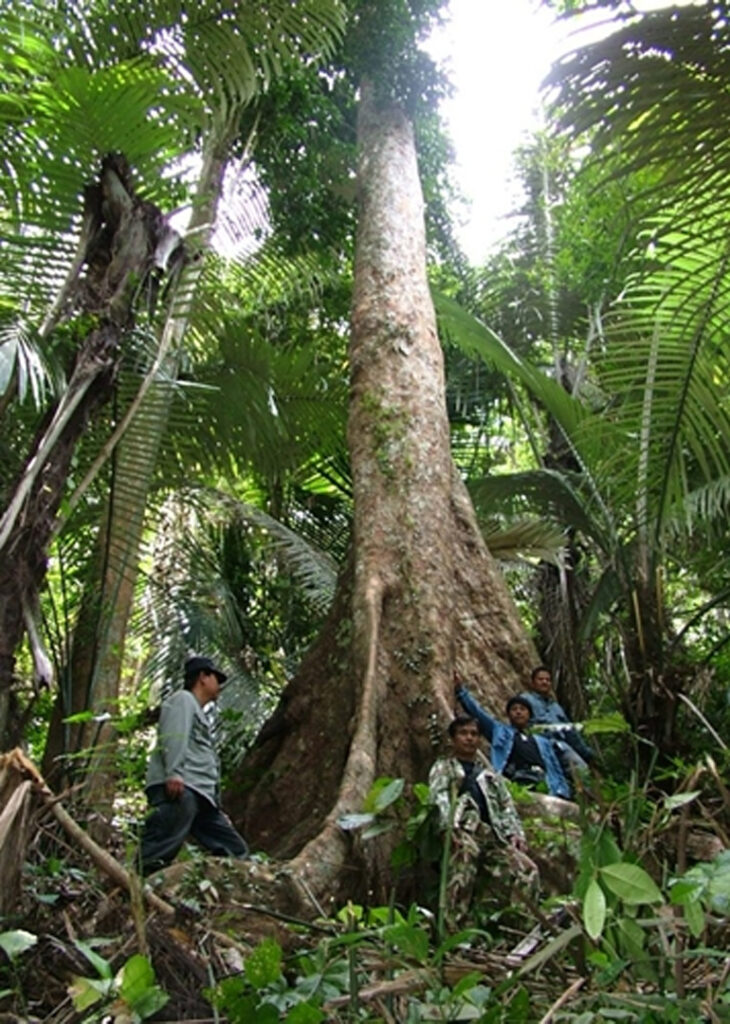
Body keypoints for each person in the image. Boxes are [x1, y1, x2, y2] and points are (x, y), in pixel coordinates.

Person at [139, 655, 248, 875]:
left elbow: (204, 760)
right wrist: (174, 773)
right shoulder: (183, 700)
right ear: (203, 677)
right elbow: (175, 735)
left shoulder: (199, 713)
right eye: (216, 678)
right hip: (181, 789)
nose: (220, 685)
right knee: (160, 847)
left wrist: (216, 805)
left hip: (201, 797)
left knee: (235, 850)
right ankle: (133, 889)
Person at [428, 715, 539, 932]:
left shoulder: (489, 776)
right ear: (452, 739)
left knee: (527, 870)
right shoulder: (445, 768)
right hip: (462, 831)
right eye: (463, 733)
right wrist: (448, 828)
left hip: (492, 837)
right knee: (463, 862)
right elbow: (438, 797)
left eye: (474, 734)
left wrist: (516, 834)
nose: (469, 738)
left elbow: (506, 806)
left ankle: (518, 928)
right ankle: (452, 930)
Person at [454, 674, 572, 800]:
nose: (518, 712)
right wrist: (461, 691)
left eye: (522, 709)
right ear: (509, 715)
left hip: (543, 782)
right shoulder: (500, 731)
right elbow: (479, 713)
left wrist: (562, 791)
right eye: (514, 709)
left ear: (529, 715)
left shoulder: (543, 742)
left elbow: (554, 767)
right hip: (515, 780)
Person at [518, 665, 594, 770]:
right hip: (537, 741)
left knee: (581, 769)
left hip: (559, 745)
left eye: (548, 680)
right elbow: (519, 720)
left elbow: (569, 731)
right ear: (533, 682)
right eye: (540, 679)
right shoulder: (526, 699)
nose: (544, 682)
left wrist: (585, 752)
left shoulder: (556, 707)